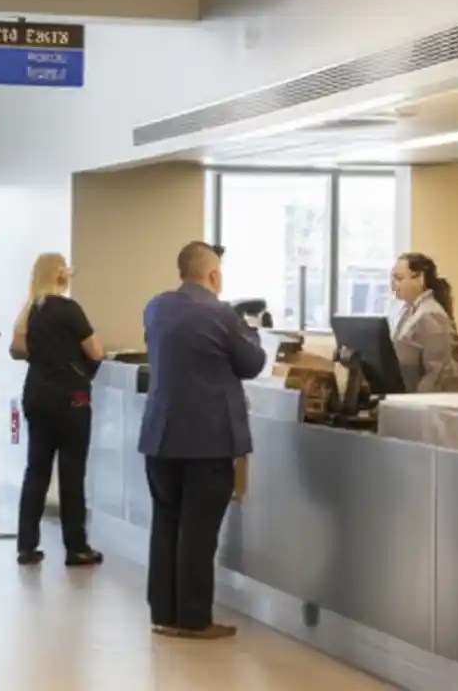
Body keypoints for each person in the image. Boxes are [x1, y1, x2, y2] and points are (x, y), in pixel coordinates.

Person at [139, 241, 266, 641]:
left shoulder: (156, 307)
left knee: (166, 523)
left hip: (161, 435)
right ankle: (194, 618)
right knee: (199, 530)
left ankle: (164, 612)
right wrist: (251, 330)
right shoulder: (221, 313)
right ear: (213, 275)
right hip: (207, 439)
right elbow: (252, 363)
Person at [9, 253, 105, 568]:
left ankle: (26, 545)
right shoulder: (69, 310)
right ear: (62, 276)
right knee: (72, 471)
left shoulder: (29, 312)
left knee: (36, 469)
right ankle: (76, 547)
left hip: (36, 394)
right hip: (71, 396)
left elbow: (18, 349)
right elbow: (96, 351)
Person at [391, 253, 458, 393]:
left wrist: (416, 405)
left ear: (419, 278)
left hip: (428, 401)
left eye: (399, 278)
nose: (393, 284)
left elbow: (437, 373)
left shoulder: (431, 314)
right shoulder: (408, 311)